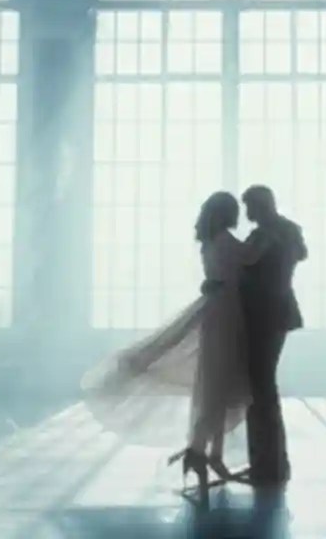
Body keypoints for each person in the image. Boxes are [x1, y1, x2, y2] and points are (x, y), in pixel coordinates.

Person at [80, 191, 271, 492]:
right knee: (218, 387)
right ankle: (202, 453)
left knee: (215, 387)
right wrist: (267, 234)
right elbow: (249, 257)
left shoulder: (209, 242)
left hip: (218, 312)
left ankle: (208, 455)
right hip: (226, 315)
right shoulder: (225, 241)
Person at [232, 185, 306, 486]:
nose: (247, 213)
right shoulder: (287, 230)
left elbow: (244, 265)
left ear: (260, 205)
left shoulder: (264, 234)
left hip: (263, 313)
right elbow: (300, 254)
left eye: (249, 206)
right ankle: (270, 464)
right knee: (262, 388)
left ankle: (267, 466)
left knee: (260, 389)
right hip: (277, 312)